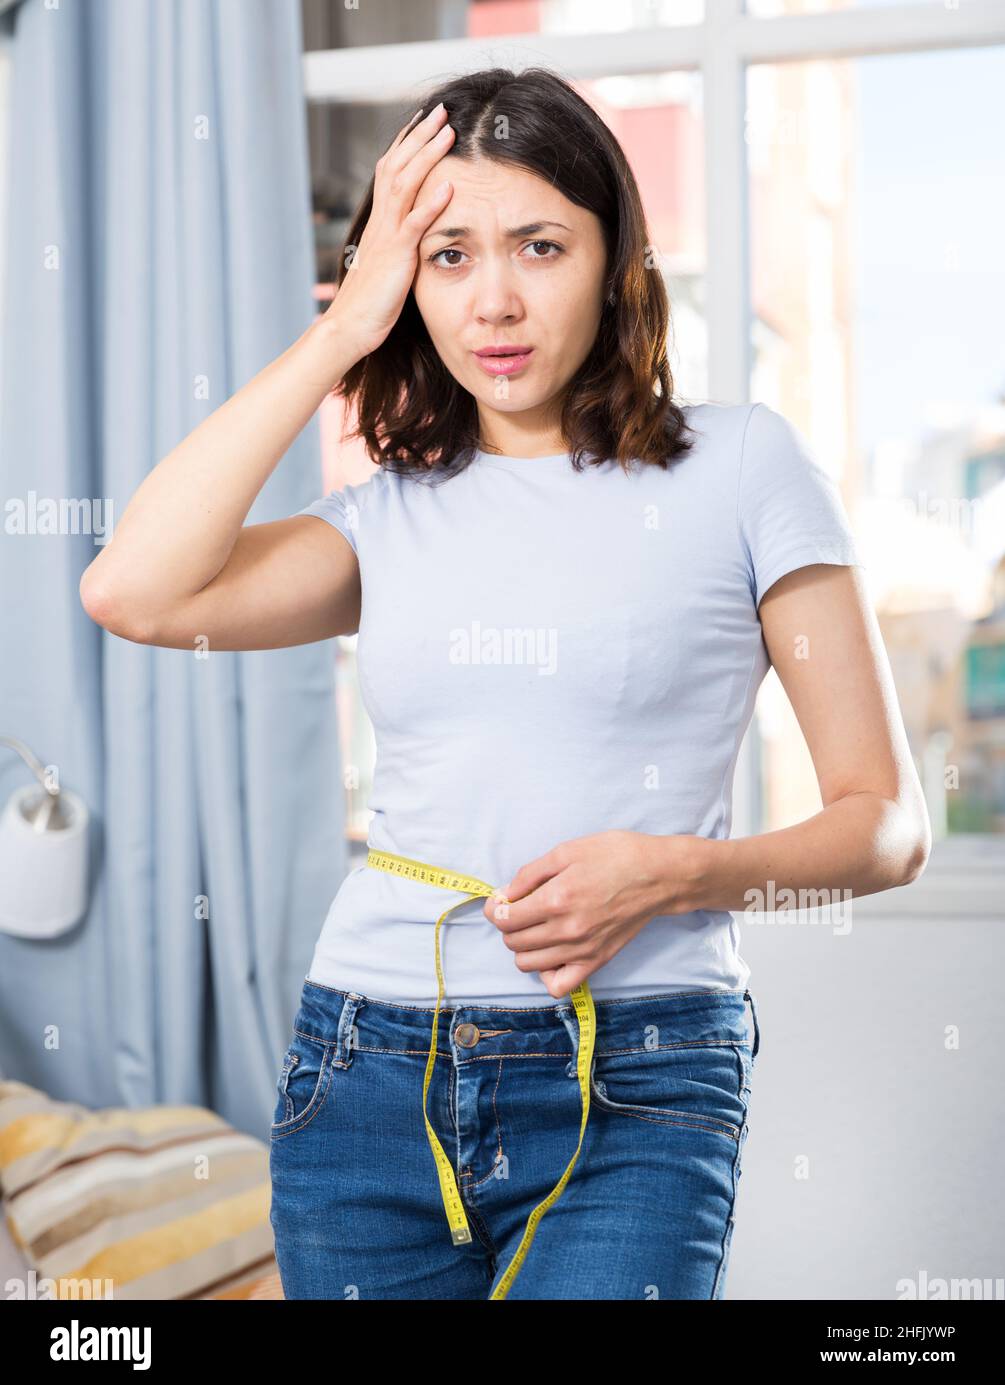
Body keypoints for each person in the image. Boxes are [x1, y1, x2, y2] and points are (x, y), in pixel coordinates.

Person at [79, 67, 932, 1301]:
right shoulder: (388, 519)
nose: (495, 300)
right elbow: (133, 593)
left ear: (615, 256)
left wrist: (681, 873)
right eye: (447, 256)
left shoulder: (744, 469)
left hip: (639, 1074)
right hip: (367, 1067)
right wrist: (340, 327)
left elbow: (887, 824)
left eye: (540, 245)